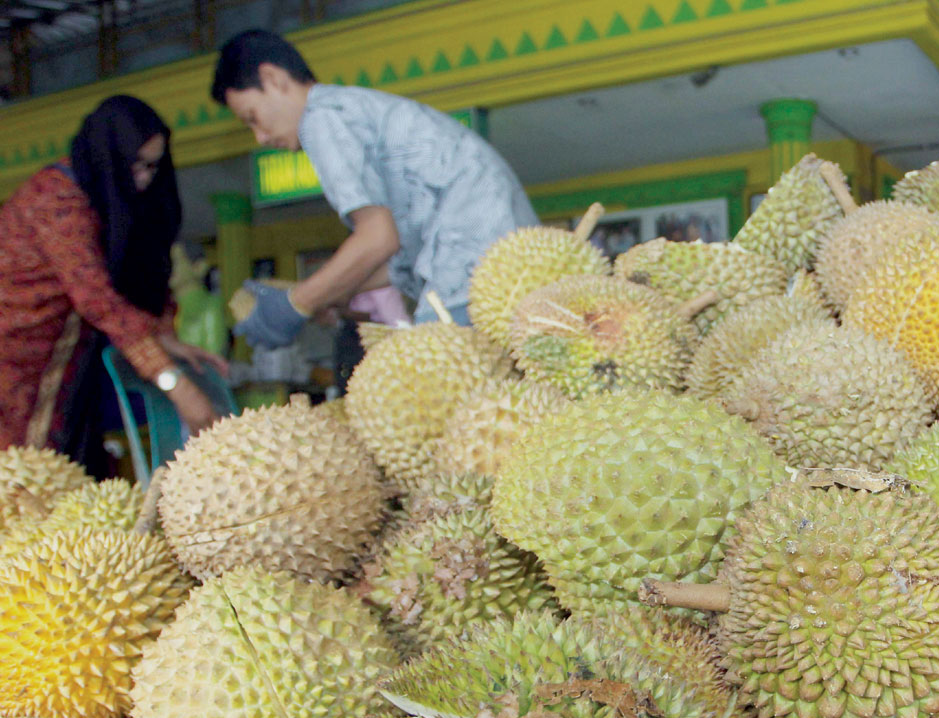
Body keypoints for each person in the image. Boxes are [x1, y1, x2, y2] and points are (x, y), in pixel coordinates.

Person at [210, 29, 538, 348]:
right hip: (510, 262)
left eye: (252, 117)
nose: (260, 137)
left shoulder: (321, 118)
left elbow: (378, 238)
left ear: (273, 78)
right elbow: (393, 256)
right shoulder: (352, 108)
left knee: (436, 383)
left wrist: (296, 302)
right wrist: (329, 293)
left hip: (470, 268)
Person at [0, 95, 226, 469]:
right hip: (13, 362)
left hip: (68, 367)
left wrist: (164, 340)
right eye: (134, 166)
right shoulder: (56, 198)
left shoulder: (106, 204)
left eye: (152, 166)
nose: (143, 179)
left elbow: (135, 281)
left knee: (61, 472)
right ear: (108, 158)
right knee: (19, 485)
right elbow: (96, 299)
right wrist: (175, 385)